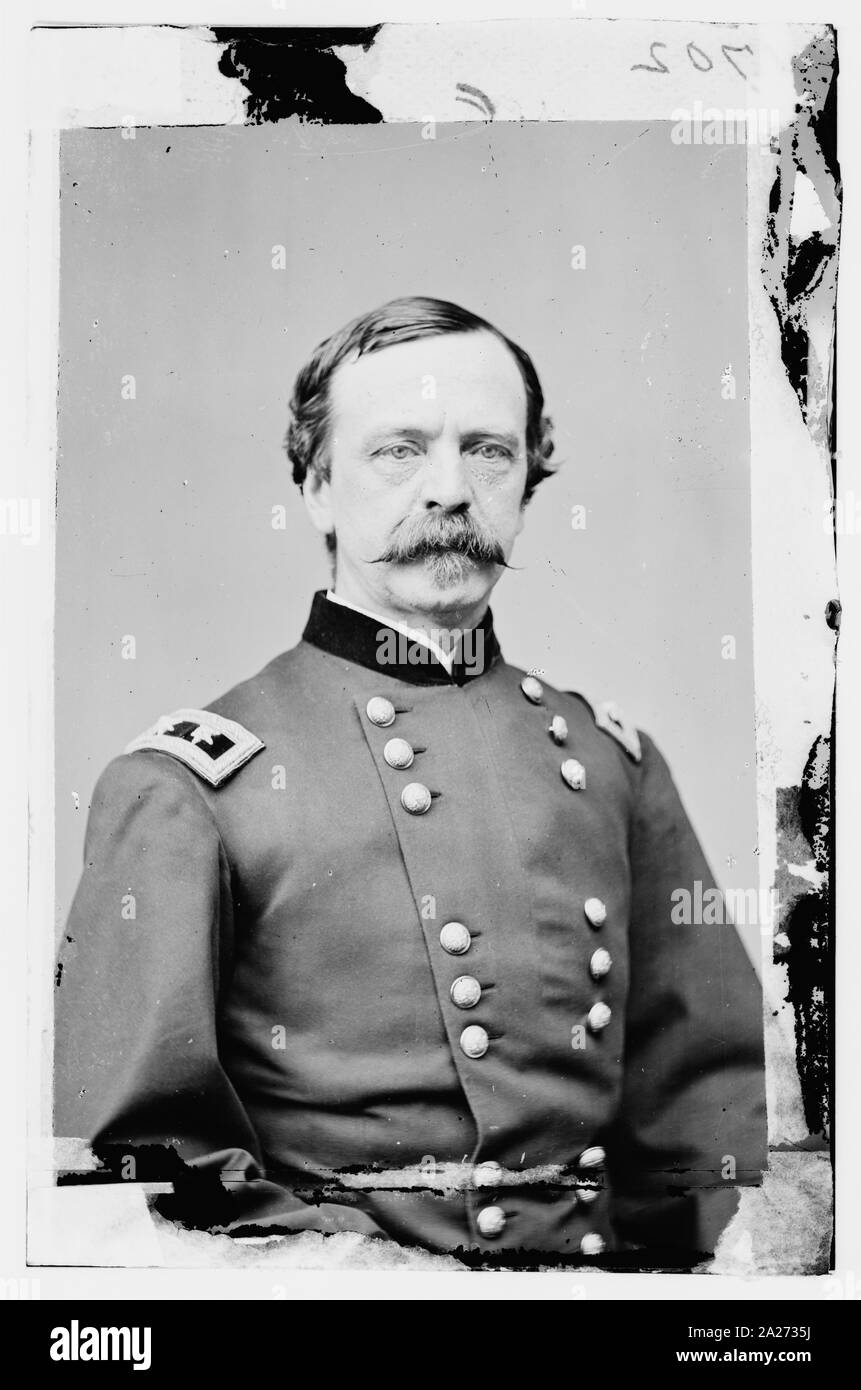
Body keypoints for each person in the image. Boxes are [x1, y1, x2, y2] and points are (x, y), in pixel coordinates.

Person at [55, 296, 766, 1266]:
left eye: (488, 451)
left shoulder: (614, 765)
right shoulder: (186, 788)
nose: (450, 490)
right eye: (399, 451)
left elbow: (713, 1136)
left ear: (528, 480)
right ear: (314, 487)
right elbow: (138, 1178)